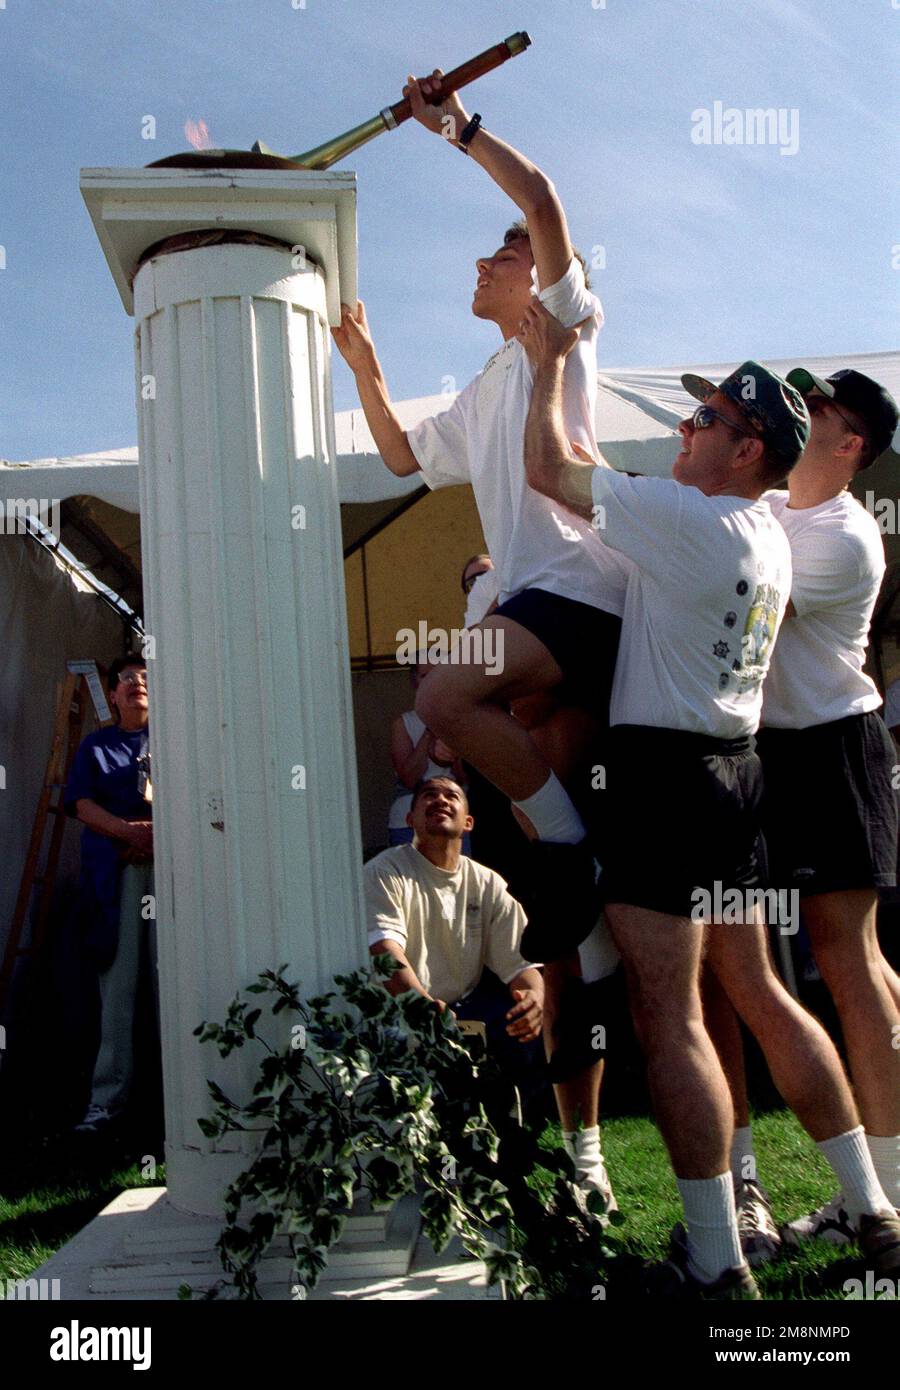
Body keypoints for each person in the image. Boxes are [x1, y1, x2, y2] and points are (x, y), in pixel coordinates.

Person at [518, 298, 900, 1297]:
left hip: (662, 778)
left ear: (746, 450)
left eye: (703, 424)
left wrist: (549, 354)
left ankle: (718, 1259)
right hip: (738, 778)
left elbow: (548, 471)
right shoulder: (768, 532)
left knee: (670, 1012)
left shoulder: (689, 519)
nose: (684, 433)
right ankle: (871, 1203)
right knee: (764, 995)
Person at [332, 69, 629, 953]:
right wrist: (366, 370)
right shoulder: (486, 384)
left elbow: (538, 197)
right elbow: (399, 456)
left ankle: (572, 848)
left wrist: (456, 127)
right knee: (517, 754)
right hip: (541, 603)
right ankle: (582, 879)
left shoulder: (566, 328)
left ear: (538, 279)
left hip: (581, 591)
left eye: (498, 259)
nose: (480, 265)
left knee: (446, 694)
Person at [705, 368, 900, 1260]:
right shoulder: (775, 508)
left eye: (819, 409)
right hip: (760, 755)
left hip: (831, 750)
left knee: (848, 964)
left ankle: (888, 1198)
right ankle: (748, 1193)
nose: (804, 413)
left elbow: (742, 612)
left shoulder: (849, 539)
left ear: (851, 443)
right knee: (727, 958)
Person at [366, 776, 543, 1084]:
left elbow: (522, 962)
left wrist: (535, 998)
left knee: (521, 1023)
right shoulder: (384, 871)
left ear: (469, 822)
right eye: (429, 795)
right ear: (410, 819)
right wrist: (423, 1006)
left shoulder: (488, 883)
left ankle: (511, 1124)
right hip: (395, 1010)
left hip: (463, 1008)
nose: (441, 800)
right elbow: (384, 952)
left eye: (452, 796)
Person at [64, 654, 157, 1135]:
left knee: (173, 980)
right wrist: (129, 833)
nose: (137, 684)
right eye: (127, 679)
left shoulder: (175, 741)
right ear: (114, 693)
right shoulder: (97, 746)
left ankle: (183, 1095)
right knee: (118, 986)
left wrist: (155, 837)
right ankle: (107, 1099)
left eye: (145, 678)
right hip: (119, 872)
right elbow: (80, 804)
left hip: (170, 872)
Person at [388, 658, 467, 848]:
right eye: (425, 676)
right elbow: (408, 778)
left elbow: (465, 777)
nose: (431, 681)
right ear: (415, 682)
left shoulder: (463, 719)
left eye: (437, 674)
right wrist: (430, 729)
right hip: (409, 818)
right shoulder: (403, 723)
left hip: (453, 816)